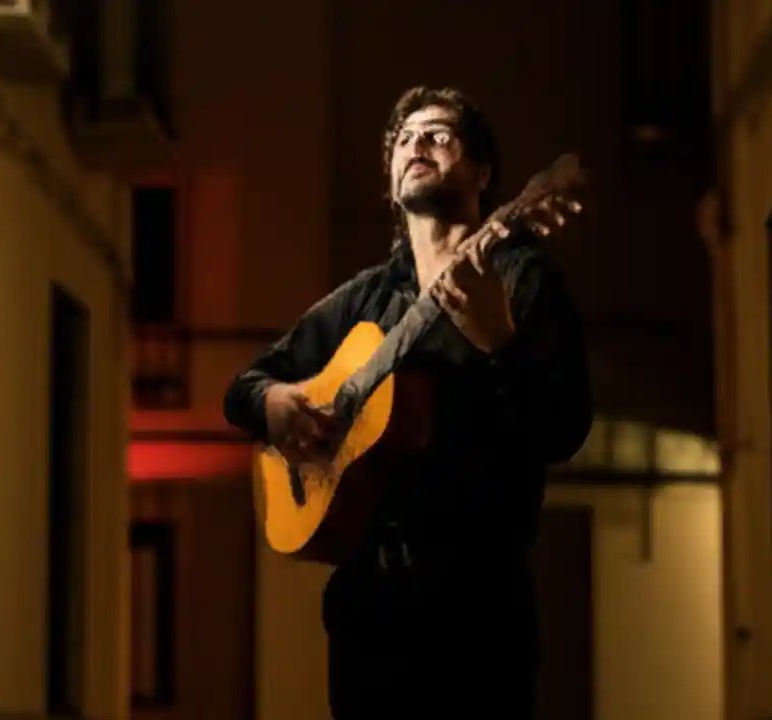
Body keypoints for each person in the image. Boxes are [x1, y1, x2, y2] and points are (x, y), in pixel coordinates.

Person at [222, 85, 593, 719]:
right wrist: (276, 401)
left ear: (483, 174)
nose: (417, 143)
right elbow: (244, 390)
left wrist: (500, 343)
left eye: (440, 134)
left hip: (481, 608)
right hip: (369, 611)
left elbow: (563, 427)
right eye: (404, 138)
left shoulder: (520, 274)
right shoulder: (362, 300)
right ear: (391, 182)